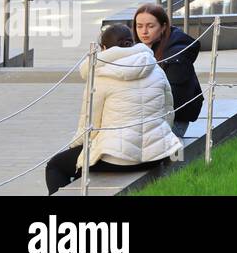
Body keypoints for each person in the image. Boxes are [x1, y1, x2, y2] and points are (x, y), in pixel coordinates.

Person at [44, 24, 184, 194]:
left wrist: (73, 148)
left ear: (103, 48)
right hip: (156, 154)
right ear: (132, 42)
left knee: (55, 166)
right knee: (80, 164)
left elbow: (89, 126)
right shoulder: (155, 67)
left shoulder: (100, 74)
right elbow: (168, 111)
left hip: (118, 159)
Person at [133, 4, 202, 136]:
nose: (144, 32)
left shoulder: (177, 55)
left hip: (173, 120)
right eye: (139, 26)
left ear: (163, 27)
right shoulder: (138, 49)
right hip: (145, 117)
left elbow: (174, 100)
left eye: (150, 26)